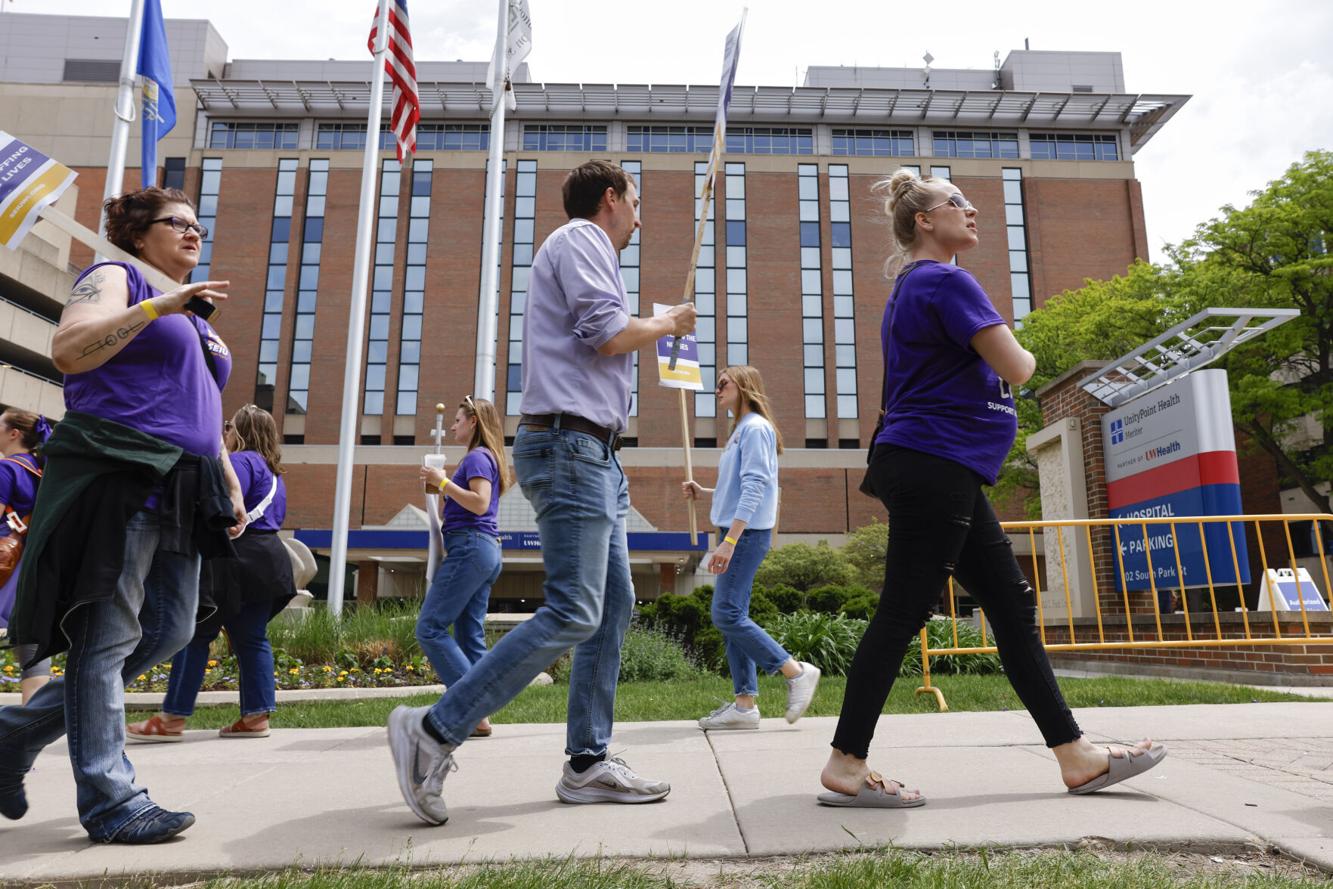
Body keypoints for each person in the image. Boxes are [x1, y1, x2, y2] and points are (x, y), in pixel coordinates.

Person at [818, 169, 1165, 809]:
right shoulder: (946, 281)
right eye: (957, 202)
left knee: (1009, 604)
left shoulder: (911, 286)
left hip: (935, 462)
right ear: (925, 220)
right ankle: (846, 763)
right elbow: (1020, 366)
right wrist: (1010, 351)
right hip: (935, 460)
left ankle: (1076, 756)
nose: (972, 210)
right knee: (902, 612)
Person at [387, 160, 697, 825]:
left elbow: (603, 336)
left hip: (593, 452)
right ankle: (433, 730)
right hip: (569, 445)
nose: (640, 217)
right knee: (576, 609)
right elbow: (608, 334)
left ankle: (587, 762)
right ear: (610, 198)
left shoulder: (585, 250)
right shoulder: (582, 238)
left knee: (612, 606)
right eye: (635, 201)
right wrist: (668, 321)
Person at [0, 186, 246, 844]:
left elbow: (197, 402)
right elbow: (69, 350)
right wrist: (156, 305)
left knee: (167, 630)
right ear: (138, 233)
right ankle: (113, 803)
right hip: (121, 474)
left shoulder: (193, 312)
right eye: (177, 222)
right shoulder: (117, 276)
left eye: (198, 225)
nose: (193, 233)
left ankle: (13, 734)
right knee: (106, 639)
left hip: (185, 487)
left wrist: (226, 476)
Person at [127, 404, 295, 742]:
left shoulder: (241, 463)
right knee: (251, 638)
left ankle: (172, 718)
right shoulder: (273, 474)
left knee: (196, 635)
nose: (225, 432)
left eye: (229, 426)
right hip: (269, 561)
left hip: (234, 562)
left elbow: (221, 506)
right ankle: (256, 716)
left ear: (239, 432)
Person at [682, 366, 820, 731]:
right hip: (736, 531)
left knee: (726, 614)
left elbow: (757, 486)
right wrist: (706, 493)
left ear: (744, 386)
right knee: (733, 617)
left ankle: (795, 672)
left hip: (743, 535)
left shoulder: (755, 428)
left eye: (723, 383)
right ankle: (744, 706)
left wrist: (729, 541)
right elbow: (741, 486)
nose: (717, 389)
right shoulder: (741, 430)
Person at [415, 395, 511, 739]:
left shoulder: (478, 457)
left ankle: (470, 708)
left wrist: (442, 482)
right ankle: (479, 716)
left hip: (471, 547)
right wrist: (442, 485)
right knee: (469, 636)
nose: (453, 426)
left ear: (473, 422)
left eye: (458, 420)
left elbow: (480, 503)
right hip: (483, 549)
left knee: (430, 628)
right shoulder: (485, 457)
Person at [0, 408, 51, 704]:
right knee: (30, 642)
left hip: (4, 564)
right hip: (30, 565)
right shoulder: (43, 470)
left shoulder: (6, 469)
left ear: (14, 433)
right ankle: (34, 716)